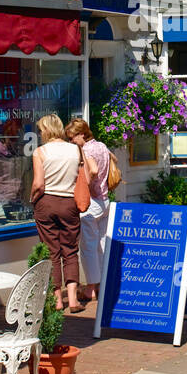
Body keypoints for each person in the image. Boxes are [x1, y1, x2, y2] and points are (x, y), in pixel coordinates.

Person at [31, 114, 84, 313]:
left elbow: (38, 183)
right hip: (69, 202)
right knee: (70, 250)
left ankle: (57, 300)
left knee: (52, 251)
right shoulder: (75, 149)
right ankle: (73, 300)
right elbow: (84, 174)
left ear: (45, 130)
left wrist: (32, 198)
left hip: (47, 202)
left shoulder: (40, 151)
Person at [66, 118, 109, 304]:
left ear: (82, 134)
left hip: (91, 202)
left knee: (88, 247)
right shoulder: (101, 145)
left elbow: (93, 169)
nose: (71, 141)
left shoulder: (87, 149)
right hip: (104, 199)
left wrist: (85, 184)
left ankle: (91, 288)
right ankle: (101, 285)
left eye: (73, 137)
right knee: (100, 245)